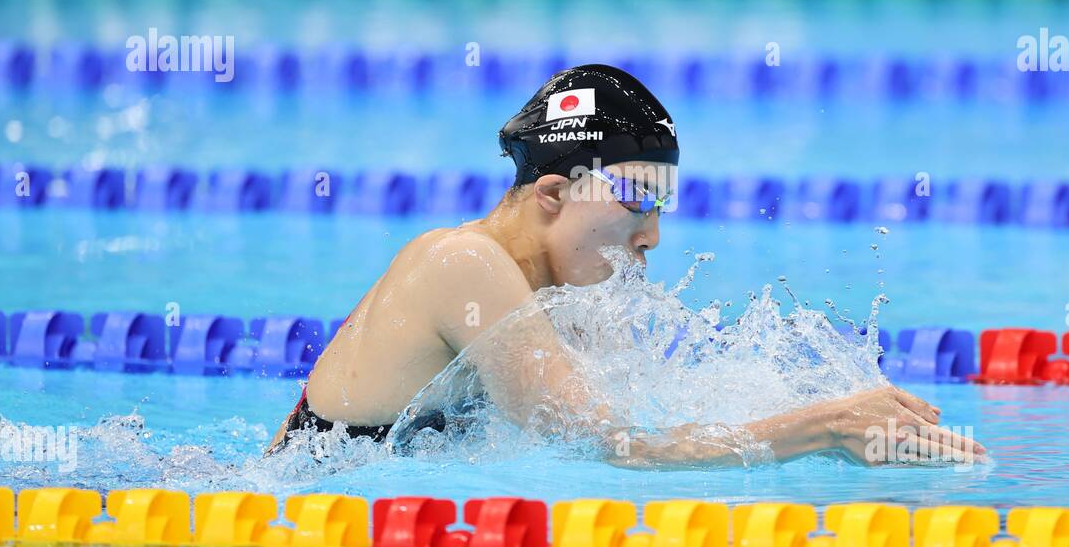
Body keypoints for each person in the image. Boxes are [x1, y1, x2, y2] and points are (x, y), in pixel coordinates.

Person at [266, 64, 985, 467]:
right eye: (639, 201)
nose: (654, 237)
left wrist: (832, 412)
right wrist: (824, 426)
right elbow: (617, 451)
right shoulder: (462, 265)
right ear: (552, 193)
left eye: (662, 207)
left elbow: (653, 424)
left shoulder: (558, 297)